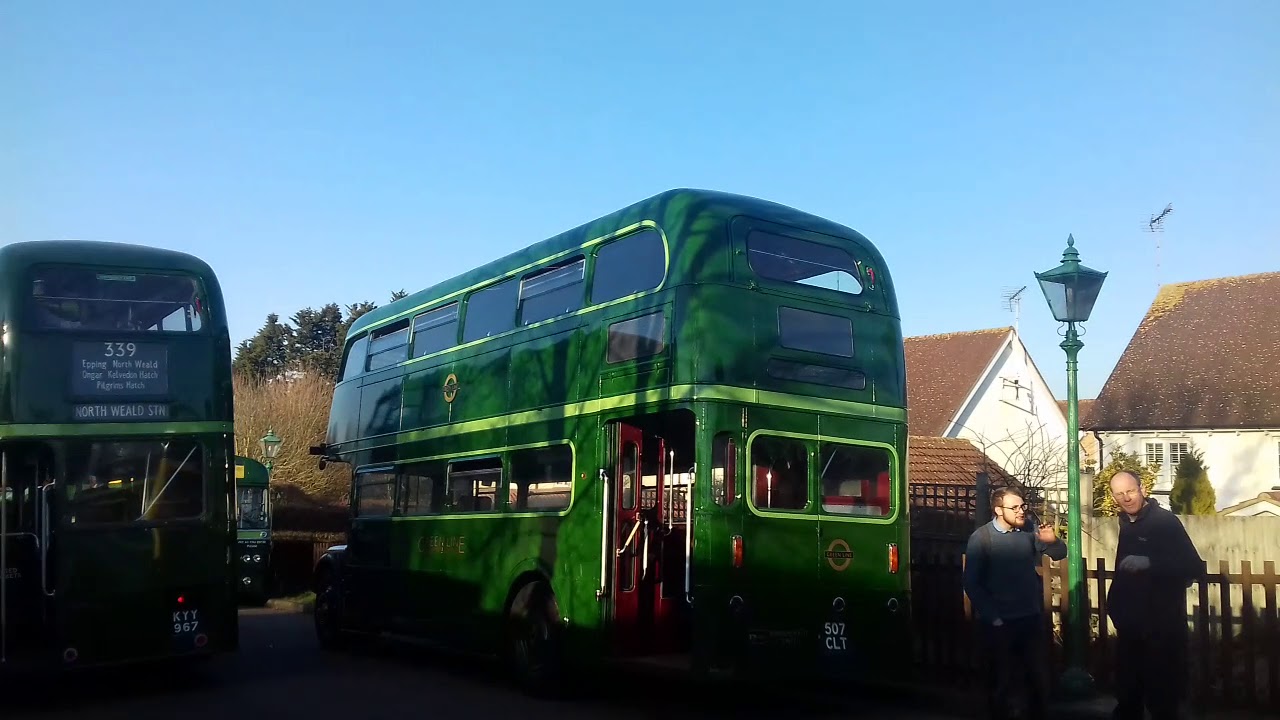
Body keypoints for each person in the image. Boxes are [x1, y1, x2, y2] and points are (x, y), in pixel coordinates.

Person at [963, 486, 1067, 720]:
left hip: (1030, 619)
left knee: (1037, 683)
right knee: (1002, 685)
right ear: (998, 510)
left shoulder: (1029, 530)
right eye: (1015, 507)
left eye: (1022, 506)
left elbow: (1060, 553)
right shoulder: (982, 539)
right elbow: (972, 583)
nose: (1021, 511)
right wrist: (994, 618)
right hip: (999, 625)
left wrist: (1053, 542)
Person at [1105, 470, 1203, 720]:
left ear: (1142, 490)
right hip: (1131, 629)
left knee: (1163, 702)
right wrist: (1114, 607)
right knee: (1127, 699)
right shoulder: (1126, 524)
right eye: (1119, 494)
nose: (1126, 498)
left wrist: (1151, 562)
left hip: (1162, 631)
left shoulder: (1164, 522)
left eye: (1130, 491)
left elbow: (1193, 567)